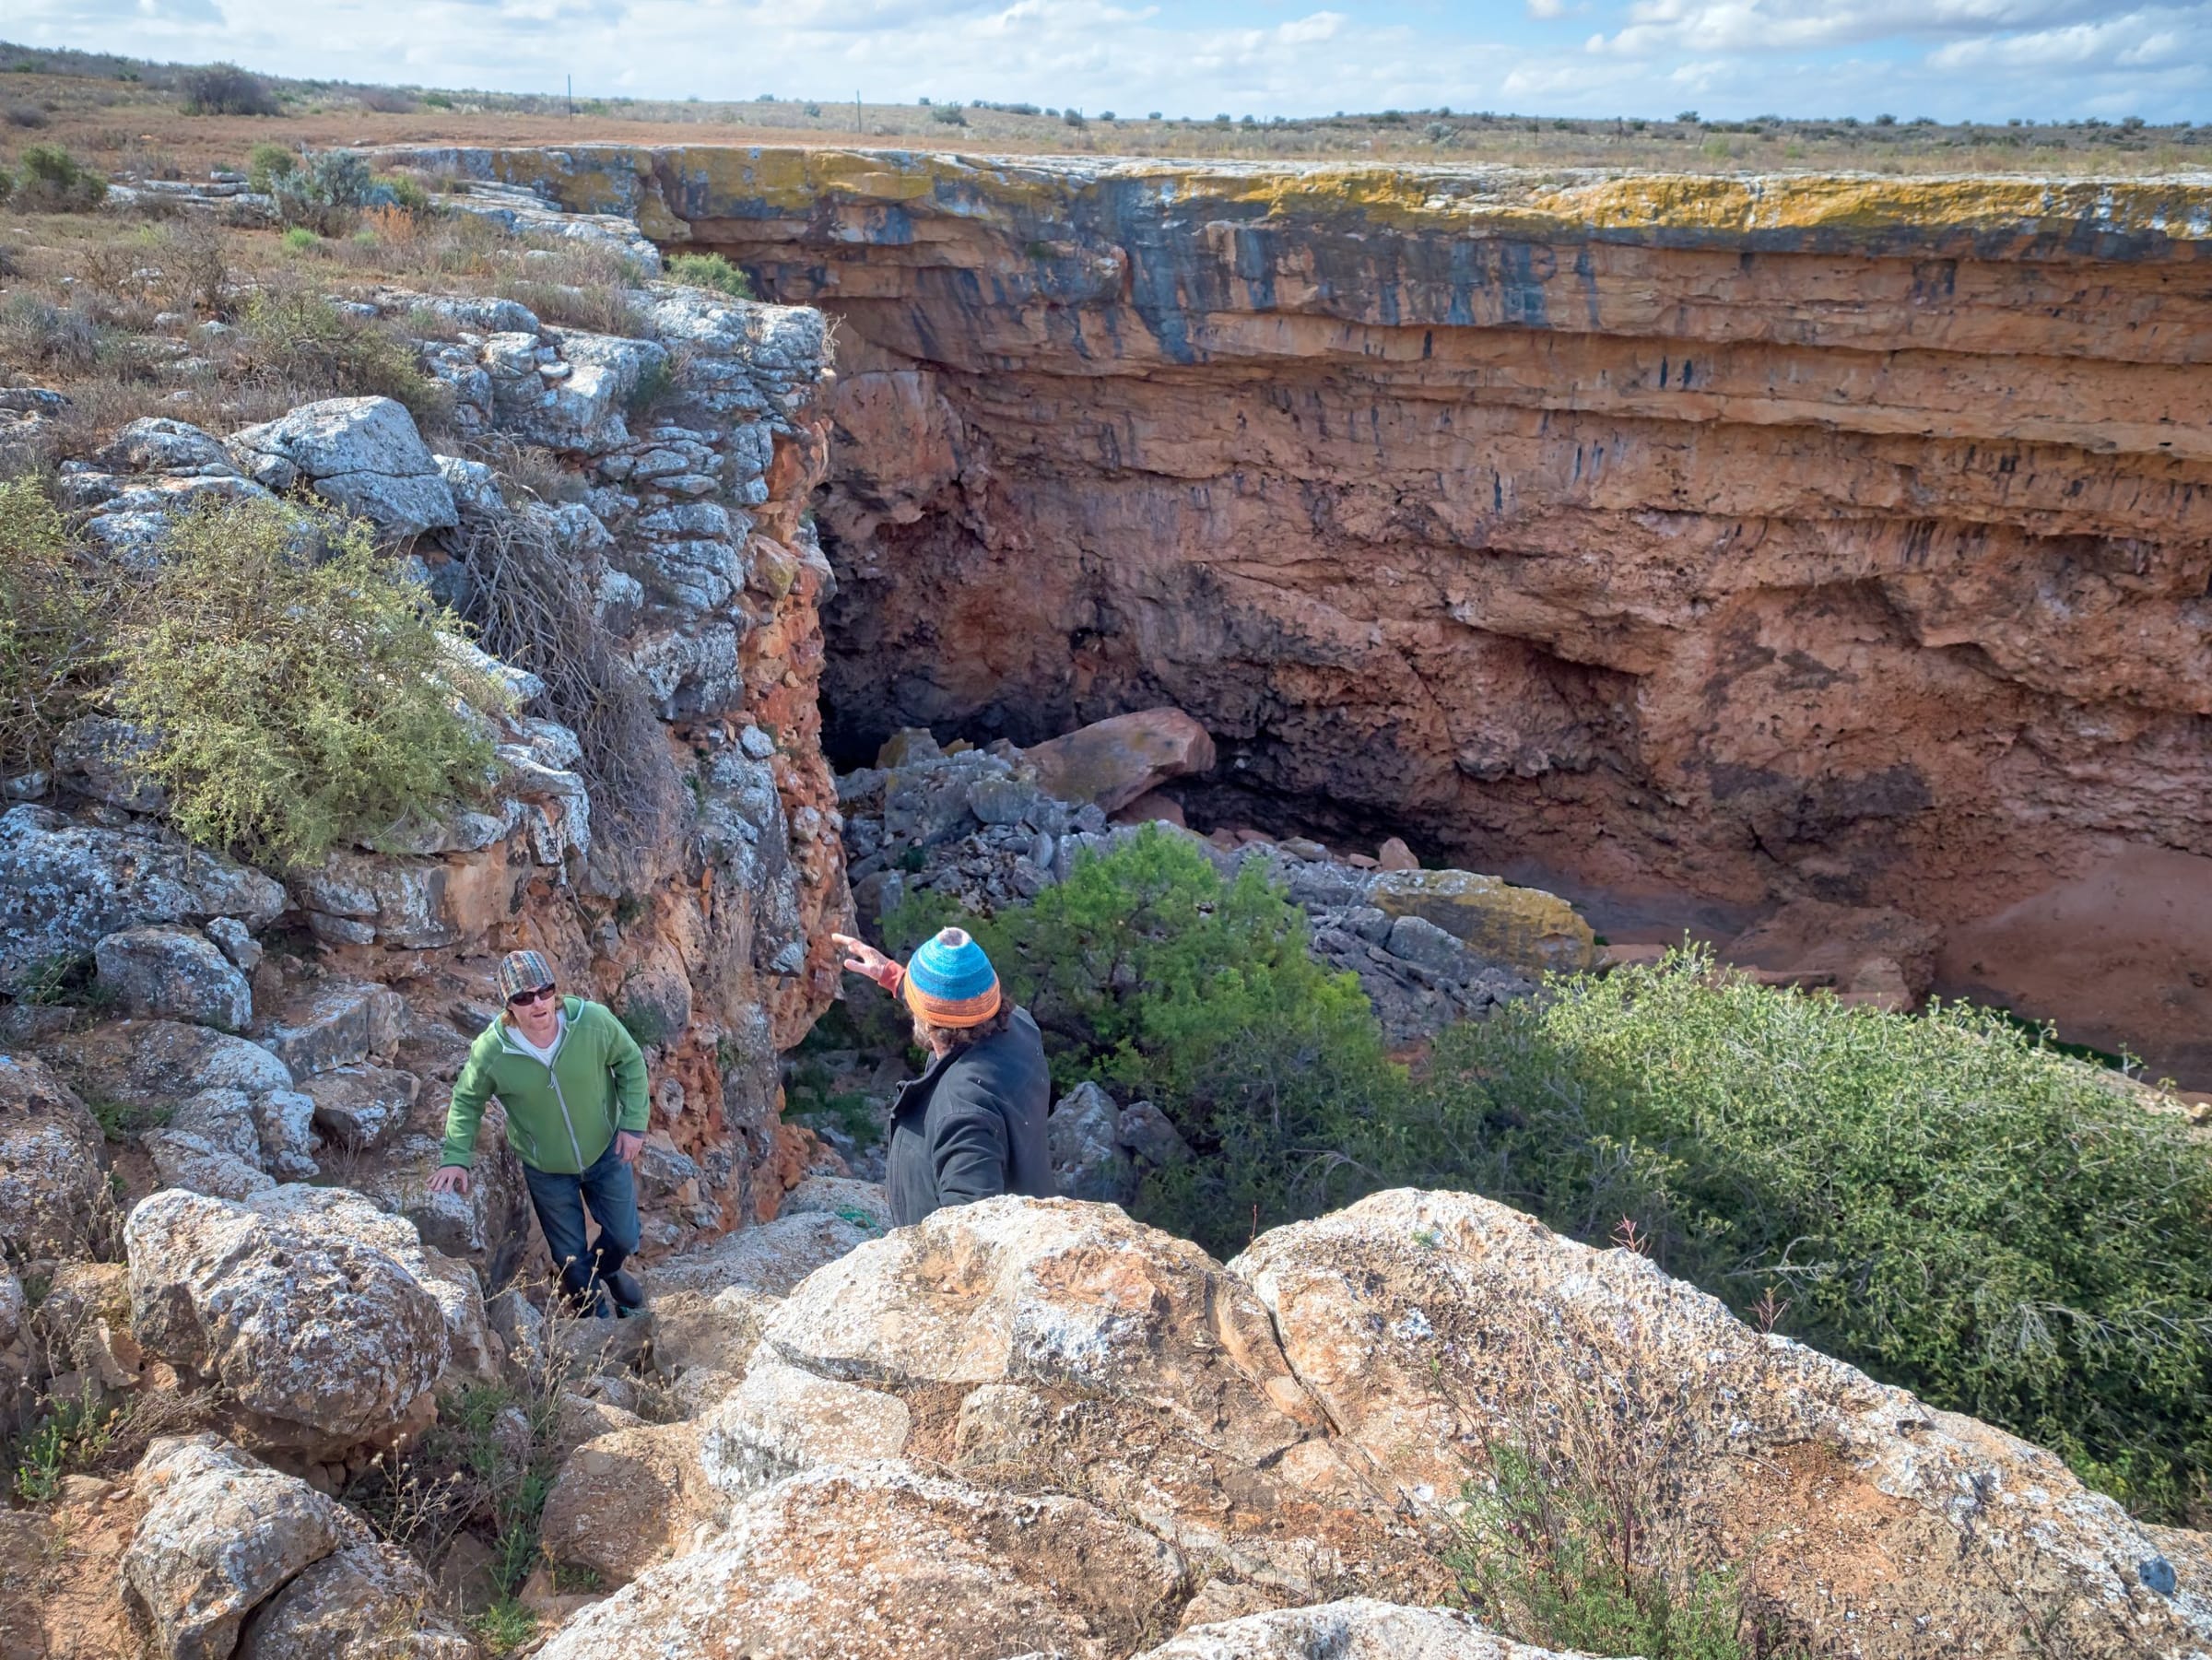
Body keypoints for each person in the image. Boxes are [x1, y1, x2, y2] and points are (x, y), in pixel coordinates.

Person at [429, 949, 650, 1318]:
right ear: (509, 1005)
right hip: (546, 1169)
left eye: (545, 991)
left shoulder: (591, 1022)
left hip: (605, 1151)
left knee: (625, 1236)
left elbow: (630, 1061)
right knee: (569, 1257)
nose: (538, 1003)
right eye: (523, 997)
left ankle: (608, 1270)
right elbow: (467, 1100)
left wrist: (633, 1123)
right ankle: (594, 1321)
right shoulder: (492, 1051)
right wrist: (456, 1158)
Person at [833, 926, 1054, 1227]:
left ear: (927, 1019)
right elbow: (955, 1004)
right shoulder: (1021, 1027)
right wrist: (894, 977)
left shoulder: (962, 1116)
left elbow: (969, 1233)